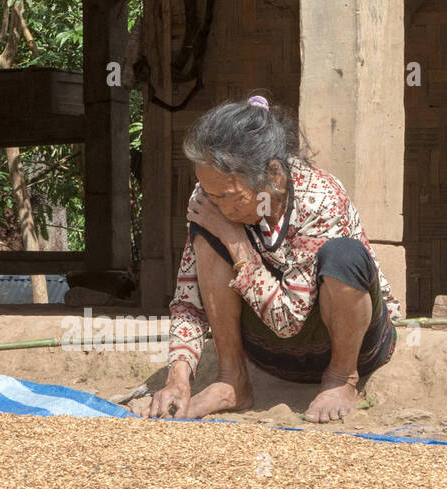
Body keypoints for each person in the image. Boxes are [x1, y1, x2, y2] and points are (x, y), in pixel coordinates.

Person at [142, 95, 402, 422]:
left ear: (274, 176)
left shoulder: (319, 197)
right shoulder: (211, 198)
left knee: (345, 256)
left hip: (354, 346)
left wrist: (236, 241)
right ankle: (231, 379)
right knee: (207, 237)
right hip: (268, 352)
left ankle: (341, 378)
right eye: (209, 194)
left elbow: (288, 322)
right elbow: (189, 301)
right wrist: (177, 379)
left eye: (229, 197)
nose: (219, 206)